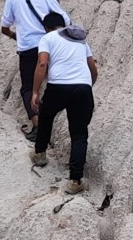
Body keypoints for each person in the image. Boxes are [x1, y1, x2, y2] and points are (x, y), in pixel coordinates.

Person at [31, 12, 99, 195]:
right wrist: (86, 86)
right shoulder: (80, 40)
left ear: (46, 27)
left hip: (58, 87)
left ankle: (39, 154)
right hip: (83, 88)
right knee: (79, 134)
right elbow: (93, 69)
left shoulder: (47, 38)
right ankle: (75, 181)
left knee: (46, 116)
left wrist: (35, 91)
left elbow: (42, 64)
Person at [0, 0, 67, 139]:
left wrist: (15, 36)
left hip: (28, 49)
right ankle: (55, 121)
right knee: (54, 81)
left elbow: (4, 28)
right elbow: (65, 20)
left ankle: (38, 127)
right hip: (50, 45)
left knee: (28, 88)